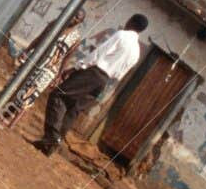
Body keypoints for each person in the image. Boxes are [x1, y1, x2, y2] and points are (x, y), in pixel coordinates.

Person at [35, 12, 147, 155]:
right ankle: (49, 147)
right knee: (73, 109)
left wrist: (75, 67)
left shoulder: (122, 35)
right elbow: (120, 74)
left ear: (131, 21)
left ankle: (51, 137)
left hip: (93, 72)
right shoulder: (136, 52)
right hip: (104, 81)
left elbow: (99, 53)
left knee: (58, 95)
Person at [2, 8, 86, 130]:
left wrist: (58, 75)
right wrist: (27, 50)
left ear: (80, 22)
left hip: (50, 69)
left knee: (31, 93)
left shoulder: (76, 38)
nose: (75, 18)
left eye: (78, 18)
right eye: (74, 15)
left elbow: (66, 58)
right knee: (17, 84)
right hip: (35, 59)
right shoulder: (56, 23)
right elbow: (40, 38)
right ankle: (2, 113)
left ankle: (12, 122)